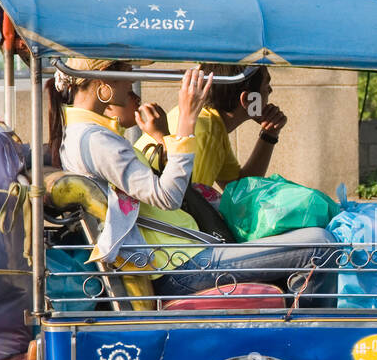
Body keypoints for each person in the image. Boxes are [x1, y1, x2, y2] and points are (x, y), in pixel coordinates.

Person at [50, 59, 332, 300]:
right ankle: (315, 340)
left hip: (184, 254)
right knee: (321, 243)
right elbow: (171, 196)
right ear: (104, 82)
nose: (132, 82)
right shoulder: (95, 140)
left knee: (310, 241)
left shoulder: (92, 135)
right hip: (179, 265)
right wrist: (185, 120)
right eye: (126, 73)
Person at [135, 63, 287, 189]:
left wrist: (269, 135)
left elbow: (239, 189)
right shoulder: (206, 132)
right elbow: (188, 199)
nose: (270, 91)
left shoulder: (212, 124)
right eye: (266, 86)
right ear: (248, 99)